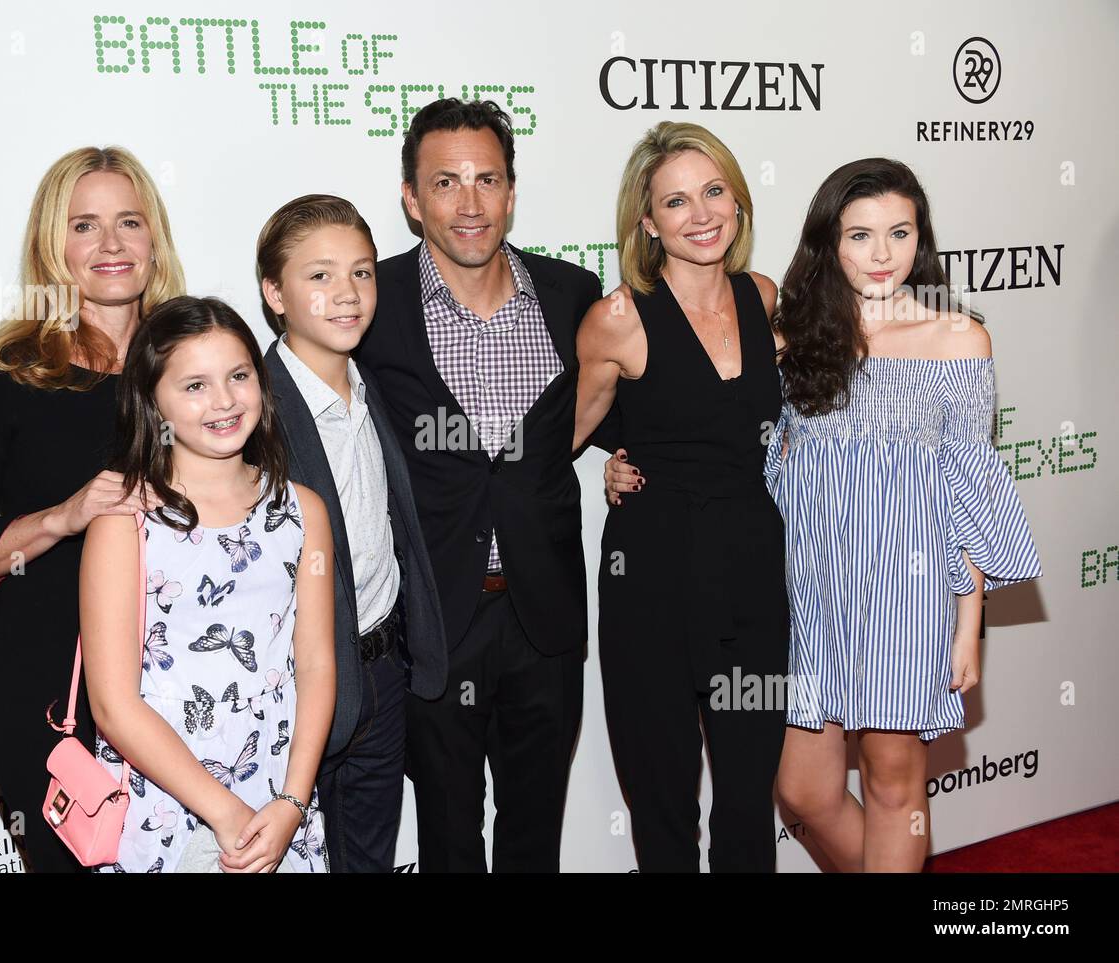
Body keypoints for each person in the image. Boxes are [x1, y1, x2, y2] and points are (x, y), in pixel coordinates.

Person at [0, 146, 181, 872]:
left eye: (129, 222)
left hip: (195, 679)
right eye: (85, 226)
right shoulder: (3, 374)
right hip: (55, 690)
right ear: (52, 245)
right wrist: (64, 515)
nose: (111, 245)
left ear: (156, 239)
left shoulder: (196, 364)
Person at [763, 158, 1041, 871]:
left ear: (922, 237)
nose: (882, 254)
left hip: (907, 597)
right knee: (802, 789)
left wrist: (968, 624)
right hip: (810, 594)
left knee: (893, 784)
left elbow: (968, 493)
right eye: (860, 235)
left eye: (899, 232)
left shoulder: (957, 339)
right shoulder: (794, 337)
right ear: (829, 243)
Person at [355, 98, 604, 872]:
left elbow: (623, 399)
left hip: (545, 616)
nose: (469, 204)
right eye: (445, 182)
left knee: (536, 836)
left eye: (487, 179)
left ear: (511, 190)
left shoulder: (572, 294)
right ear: (411, 198)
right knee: (448, 842)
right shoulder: (373, 302)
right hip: (435, 620)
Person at [574, 122, 789, 872]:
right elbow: (566, 433)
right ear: (647, 220)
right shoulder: (619, 317)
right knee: (662, 800)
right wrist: (615, 457)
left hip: (752, 575)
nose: (700, 215)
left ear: (737, 197)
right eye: (675, 201)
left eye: (713, 191)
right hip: (653, 579)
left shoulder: (763, 299)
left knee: (745, 792)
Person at [81, 295, 335, 873]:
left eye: (238, 376)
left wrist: (292, 802)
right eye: (194, 386)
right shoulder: (126, 521)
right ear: (153, 403)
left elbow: (317, 664)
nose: (223, 401)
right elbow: (113, 704)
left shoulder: (303, 510)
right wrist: (227, 815)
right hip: (164, 802)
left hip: (278, 794)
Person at [253, 193, 447, 871]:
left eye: (362, 272)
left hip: (384, 677)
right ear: (274, 293)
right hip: (291, 697)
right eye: (320, 275)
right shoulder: (249, 413)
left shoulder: (378, 387)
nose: (347, 294)